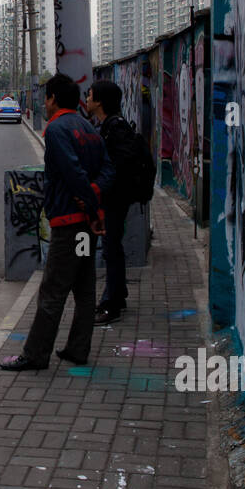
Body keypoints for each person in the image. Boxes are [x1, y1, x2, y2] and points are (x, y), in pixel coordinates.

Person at [0, 73, 115, 371]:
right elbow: (107, 170)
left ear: (51, 99)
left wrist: (86, 197)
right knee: (84, 289)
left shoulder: (57, 129)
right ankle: (78, 349)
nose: (44, 102)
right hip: (86, 226)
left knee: (53, 291)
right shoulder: (89, 128)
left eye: (46, 98)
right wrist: (94, 200)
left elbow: (72, 171)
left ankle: (35, 355)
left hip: (68, 224)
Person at [87, 80, 138, 323]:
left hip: (114, 200)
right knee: (112, 248)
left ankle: (112, 304)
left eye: (89, 96)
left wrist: (103, 191)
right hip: (114, 198)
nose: (86, 100)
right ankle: (118, 294)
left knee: (111, 249)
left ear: (99, 101)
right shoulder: (108, 125)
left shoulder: (115, 128)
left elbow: (118, 167)